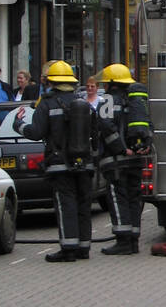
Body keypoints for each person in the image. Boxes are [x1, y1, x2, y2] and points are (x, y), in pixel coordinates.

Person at [14, 60, 124, 262]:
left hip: (60, 165)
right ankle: (84, 248)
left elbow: (36, 132)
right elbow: (95, 132)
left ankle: (68, 249)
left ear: (51, 82)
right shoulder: (83, 104)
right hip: (85, 165)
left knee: (66, 206)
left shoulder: (47, 103)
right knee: (83, 205)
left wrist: (18, 124)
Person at [96, 64, 151, 255]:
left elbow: (105, 126)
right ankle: (134, 240)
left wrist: (121, 149)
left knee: (117, 198)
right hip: (136, 159)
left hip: (116, 160)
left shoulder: (109, 100)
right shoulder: (137, 101)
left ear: (112, 83)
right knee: (135, 198)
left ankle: (123, 241)